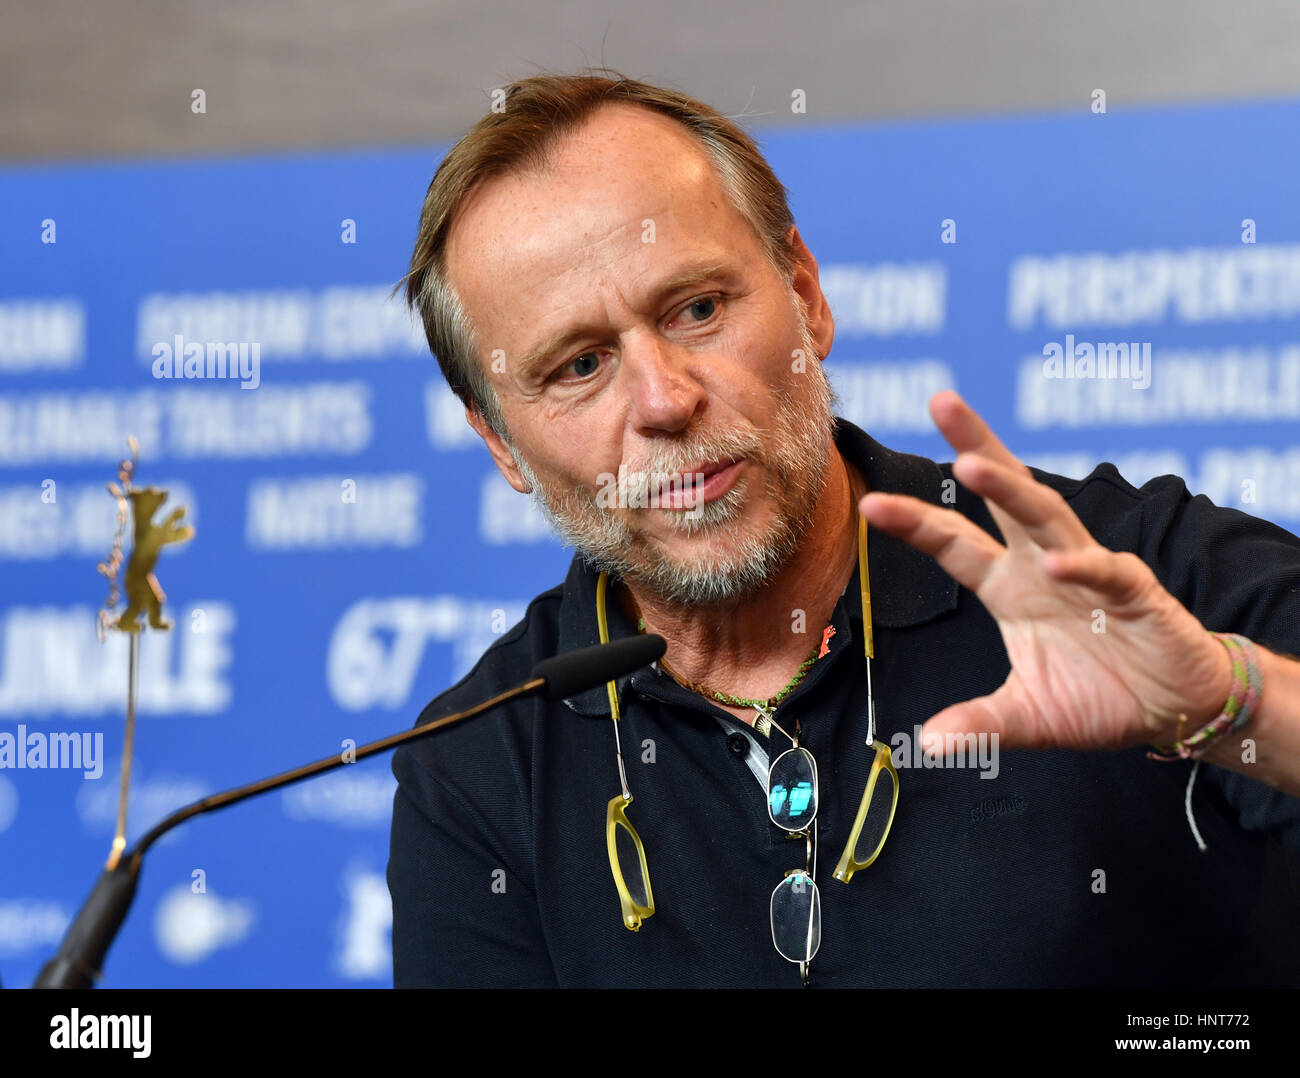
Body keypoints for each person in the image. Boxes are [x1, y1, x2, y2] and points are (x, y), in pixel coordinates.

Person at [387, 70, 1300, 988]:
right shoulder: (481, 765)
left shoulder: (1134, 572)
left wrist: (1233, 704)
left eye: (697, 309)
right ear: (501, 443)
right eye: (580, 365)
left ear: (805, 295)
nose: (664, 400)